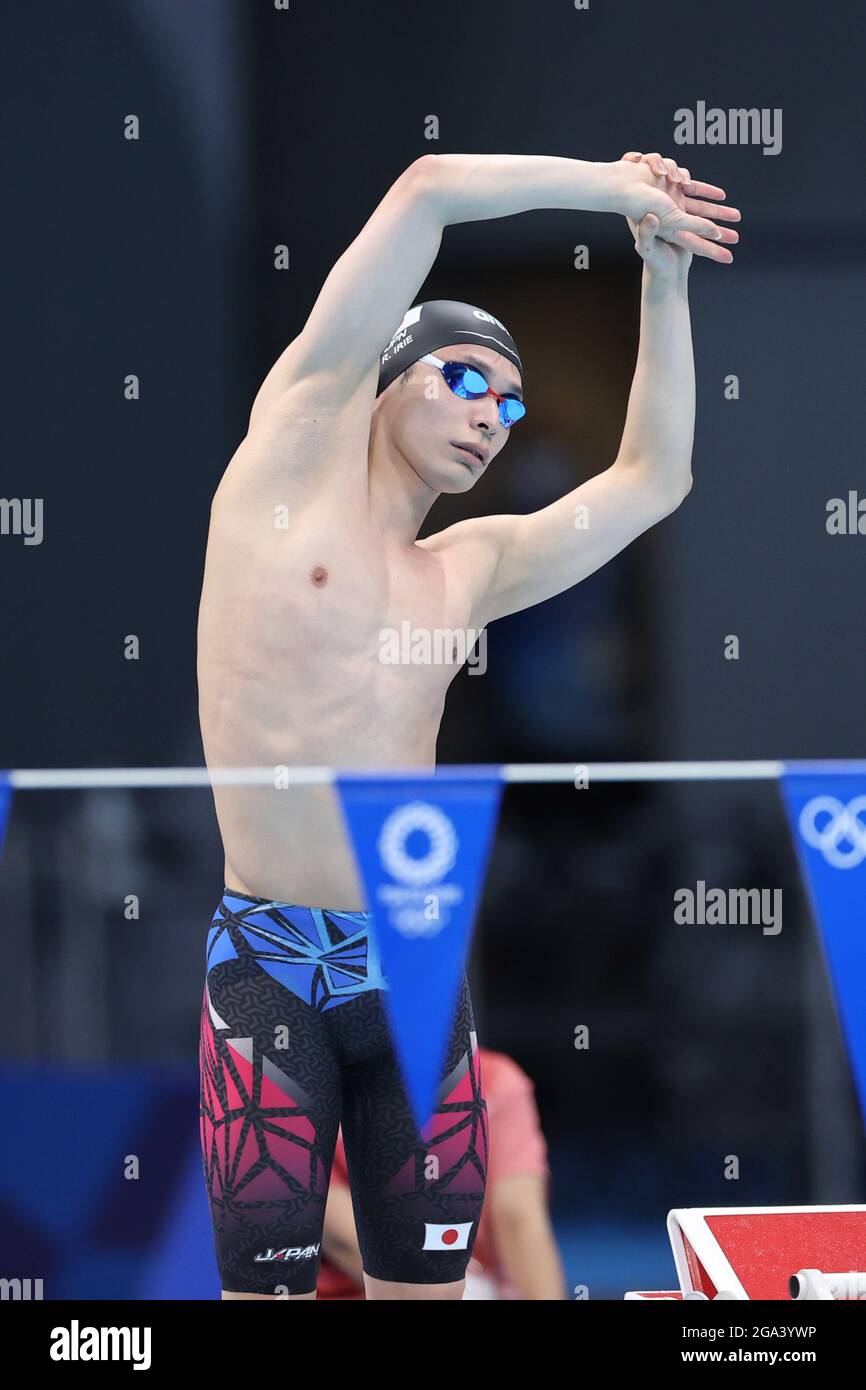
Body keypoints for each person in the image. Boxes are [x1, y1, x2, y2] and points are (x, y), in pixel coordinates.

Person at [196, 148, 740, 1301]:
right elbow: (427, 187)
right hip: (267, 967)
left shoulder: (466, 567)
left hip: (416, 968)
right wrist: (615, 186)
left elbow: (655, 477)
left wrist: (661, 274)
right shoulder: (285, 460)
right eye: (466, 380)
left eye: (512, 401)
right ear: (384, 376)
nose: (493, 416)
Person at [317, 1047, 566, 1300]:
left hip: (470, 1283)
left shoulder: (497, 1080)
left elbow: (518, 1218)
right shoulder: (311, 1088)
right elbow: (344, 1238)